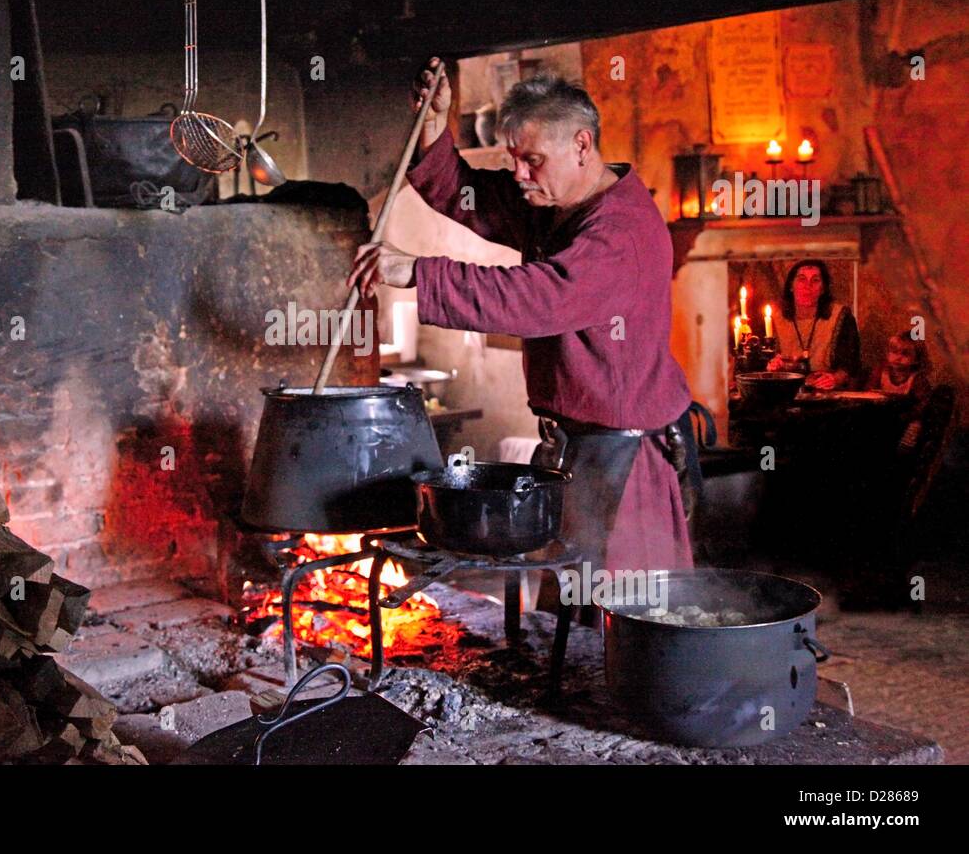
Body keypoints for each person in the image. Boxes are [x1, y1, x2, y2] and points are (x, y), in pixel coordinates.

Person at [347, 57, 698, 577]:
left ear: (582, 145)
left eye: (532, 159)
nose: (519, 173)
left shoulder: (620, 231)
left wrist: (421, 271)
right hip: (574, 451)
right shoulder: (552, 202)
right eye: (514, 158)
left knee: (632, 625)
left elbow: (541, 298)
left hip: (626, 462)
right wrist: (433, 125)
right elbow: (463, 194)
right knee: (574, 622)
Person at [765, 260, 861, 390]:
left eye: (815, 280)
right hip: (786, 391)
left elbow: (850, 364)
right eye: (801, 279)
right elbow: (765, 364)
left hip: (826, 393)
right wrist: (774, 367)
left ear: (823, 289)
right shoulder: (774, 320)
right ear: (791, 286)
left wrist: (835, 379)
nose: (807, 286)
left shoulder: (841, 316)